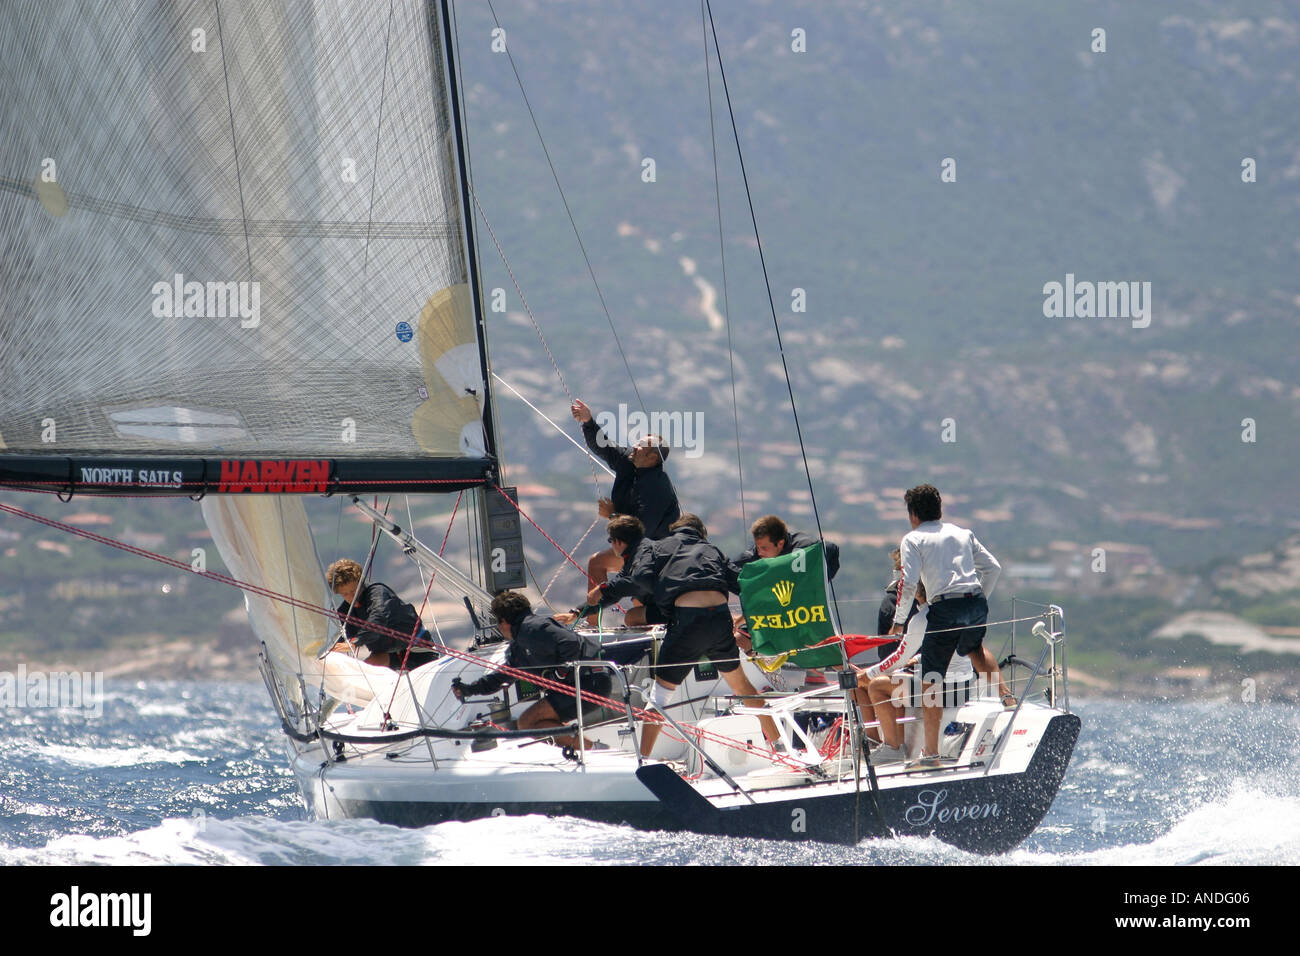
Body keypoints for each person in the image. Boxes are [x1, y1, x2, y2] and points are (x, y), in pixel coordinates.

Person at [568, 513, 780, 757]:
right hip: (719, 620)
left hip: (687, 621)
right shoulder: (713, 550)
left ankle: (643, 761)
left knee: (659, 697)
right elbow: (744, 585)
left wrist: (603, 590)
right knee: (745, 688)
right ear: (701, 534)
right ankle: (781, 748)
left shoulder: (659, 547)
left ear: (675, 530)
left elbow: (638, 579)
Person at [890, 484, 1010, 768]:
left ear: (913, 514)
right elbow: (993, 568)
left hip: (944, 606)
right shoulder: (963, 533)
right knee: (974, 650)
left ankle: (930, 754)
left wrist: (898, 622)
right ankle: (1006, 697)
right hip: (975, 601)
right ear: (940, 509)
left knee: (931, 678)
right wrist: (977, 601)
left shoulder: (913, 538)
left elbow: (908, 583)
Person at [452, 591, 611, 752]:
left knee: (527, 722)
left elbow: (571, 644)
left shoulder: (532, 628)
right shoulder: (520, 643)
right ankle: (594, 750)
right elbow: (503, 676)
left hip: (590, 681)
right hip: (585, 682)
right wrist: (470, 689)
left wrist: (559, 674)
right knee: (533, 722)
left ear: (504, 622)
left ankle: (595, 750)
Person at [569, 399, 681, 598]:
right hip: (633, 551)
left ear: (652, 458)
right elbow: (605, 447)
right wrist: (588, 421)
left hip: (656, 555)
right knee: (597, 563)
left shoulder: (658, 488)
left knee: (638, 607)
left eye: (640, 448)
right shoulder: (630, 461)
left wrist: (612, 515)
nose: (634, 448)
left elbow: (643, 530)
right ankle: (594, 621)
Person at [855, 582, 974, 765]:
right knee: (891, 681)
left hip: (940, 689)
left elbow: (900, 657)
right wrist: (918, 659)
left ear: (917, 593)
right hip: (962, 687)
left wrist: (868, 674)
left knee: (878, 685)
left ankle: (892, 748)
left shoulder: (922, 618)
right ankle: (887, 745)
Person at [730, 514, 840, 652]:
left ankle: (843, 673)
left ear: (780, 543)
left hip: (802, 619)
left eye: (764, 548)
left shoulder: (804, 547)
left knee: (826, 653)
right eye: (757, 546)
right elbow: (728, 573)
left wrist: (817, 583)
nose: (759, 552)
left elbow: (831, 549)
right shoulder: (753, 557)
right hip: (770, 620)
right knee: (734, 641)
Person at [327, 559, 438, 671]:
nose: (352, 596)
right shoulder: (346, 611)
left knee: (373, 663)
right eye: (346, 594)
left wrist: (355, 642)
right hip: (389, 656)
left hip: (419, 651)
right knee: (360, 671)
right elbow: (337, 633)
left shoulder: (377, 592)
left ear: (360, 582)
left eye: (354, 590)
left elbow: (379, 617)